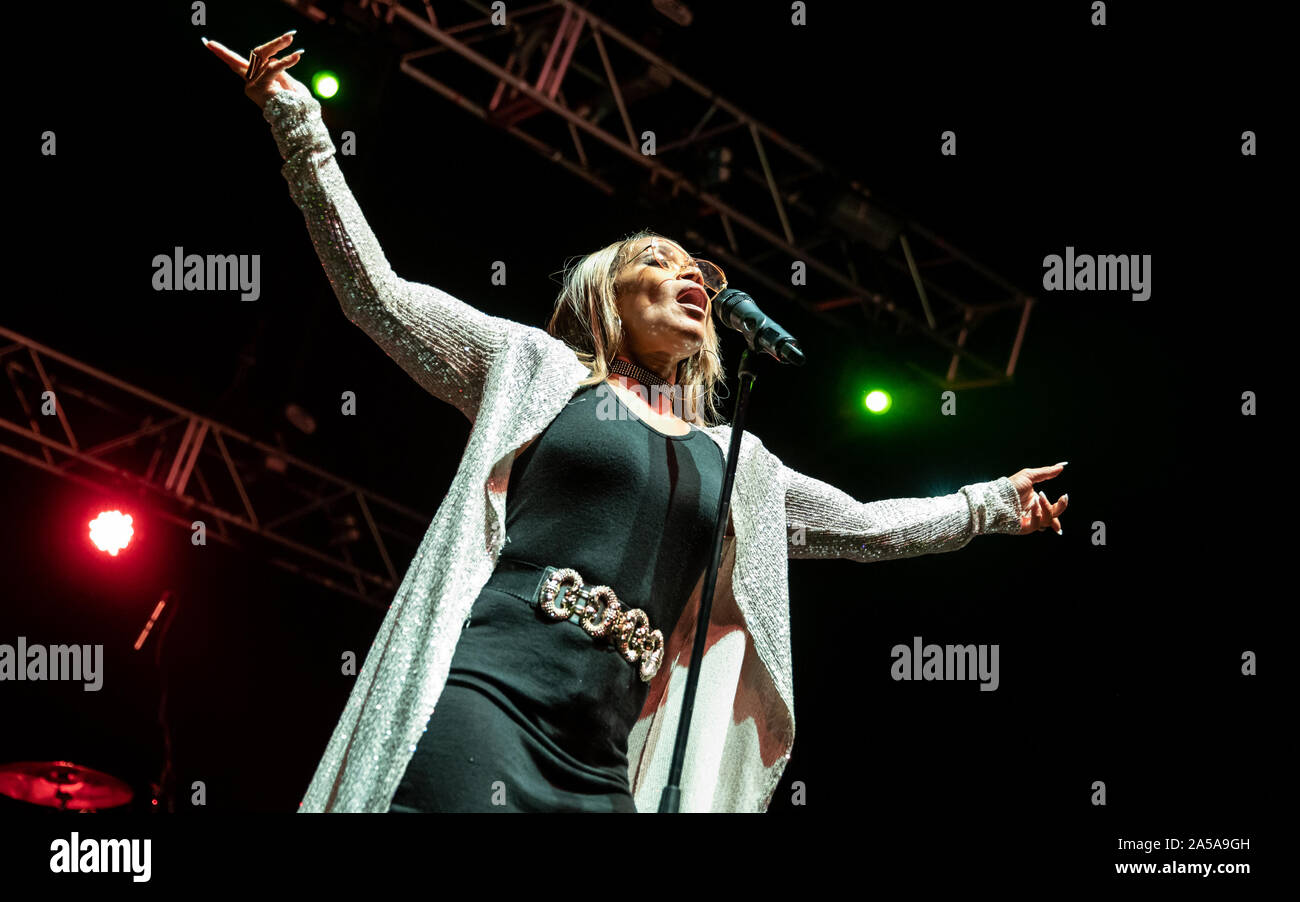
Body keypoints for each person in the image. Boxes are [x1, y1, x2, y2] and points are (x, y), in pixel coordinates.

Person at [204, 32, 1069, 813]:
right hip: (485, 702)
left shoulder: (742, 465)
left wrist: (990, 504)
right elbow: (378, 298)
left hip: (600, 758)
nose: (692, 276)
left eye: (700, 271)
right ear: (604, 296)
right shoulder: (537, 372)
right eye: (661, 261)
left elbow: (862, 527)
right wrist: (302, 133)